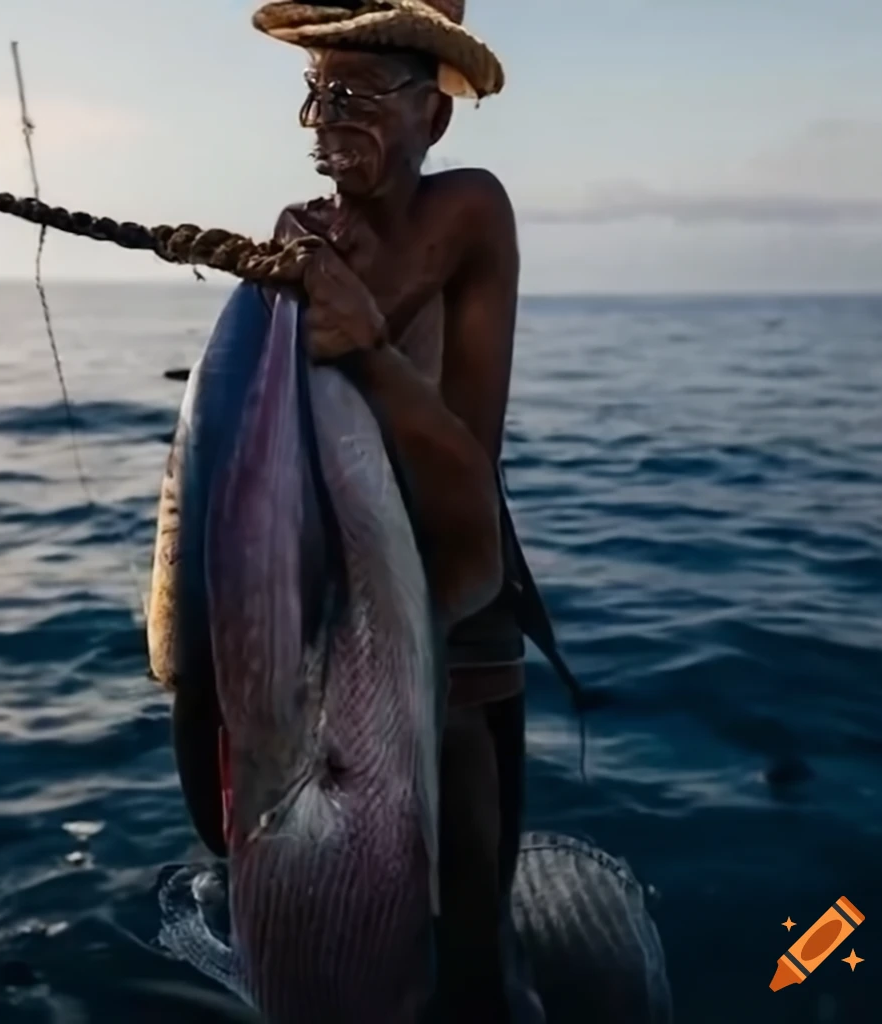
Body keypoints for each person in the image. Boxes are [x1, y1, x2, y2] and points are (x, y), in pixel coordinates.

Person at [251, 3, 538, 1020]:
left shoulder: (469, 208)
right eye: (317, 94)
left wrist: (351, 333)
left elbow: (458, 453)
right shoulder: (300, 230)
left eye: (359, 95)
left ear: (435, 118)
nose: (325, 121)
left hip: (461, 604)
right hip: (347, 608)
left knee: (471, 934)